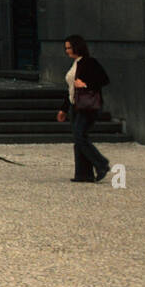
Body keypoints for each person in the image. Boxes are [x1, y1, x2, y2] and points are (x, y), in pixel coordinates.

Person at [57, 35, 111, 183]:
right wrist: (63, 109)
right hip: (75, 105)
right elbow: (71, 90)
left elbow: (103, 79)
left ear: (77, 46)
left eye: (69, 47)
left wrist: (86, 84)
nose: (67, 51)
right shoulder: (75, 64)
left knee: (80, 135)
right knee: (78, 137)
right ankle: (83, 174)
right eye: (66, 48)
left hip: (88, 106)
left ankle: (101, 164)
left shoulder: (89, 62)